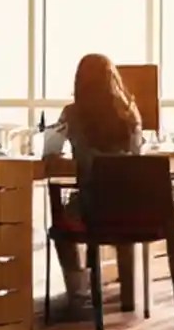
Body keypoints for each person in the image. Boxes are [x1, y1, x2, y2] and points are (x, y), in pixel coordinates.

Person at [44, 54, 144, 314]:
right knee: (121, 215)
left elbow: (50, 151)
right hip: (133, 209)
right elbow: (137, 155)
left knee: (60, 223)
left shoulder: (72, 113)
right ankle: (128, 297)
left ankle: (78, 294)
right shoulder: (130, 113)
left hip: (92, 208)